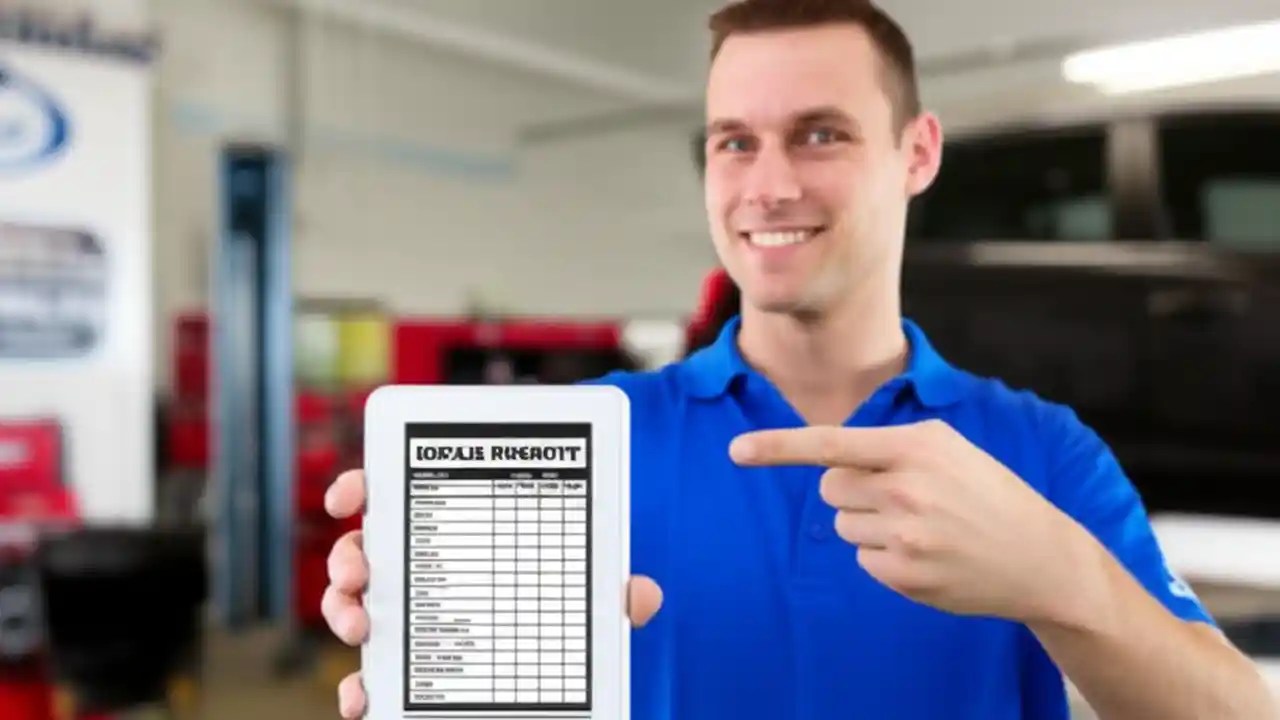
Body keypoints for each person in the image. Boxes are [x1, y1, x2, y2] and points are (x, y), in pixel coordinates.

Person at [322, 0, 1280, 717]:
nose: (768, 186)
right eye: (735, 142)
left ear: (917, 152)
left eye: (820, 134)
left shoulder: (1041, 453)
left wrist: (1065, 581)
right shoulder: (588, 443)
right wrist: (430, 639)